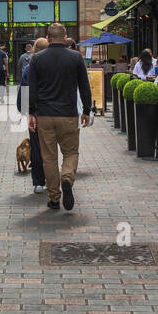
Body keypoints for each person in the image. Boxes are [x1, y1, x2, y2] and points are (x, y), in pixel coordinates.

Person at [28, 22, 92, 211]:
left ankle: (54, 198)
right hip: (68, 115)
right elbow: (84, 86)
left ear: (48, 38)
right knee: (71, 152)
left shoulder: (37, 59)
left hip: (45, 115)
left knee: (49, 157)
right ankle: (67, 177)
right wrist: (87, 110)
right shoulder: (75, 58)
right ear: (65, 38)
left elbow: (32, 89)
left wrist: (31, 113)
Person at [19, 36, 48, 192]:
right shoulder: (54, 66)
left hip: (35, 114)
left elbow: (24, 93)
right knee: (50, 148)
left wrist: (27, 111)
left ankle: (38, 182)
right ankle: (52, 178)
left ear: (35, 50)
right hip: (53, 113)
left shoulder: (29, 69)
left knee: (36, 148)